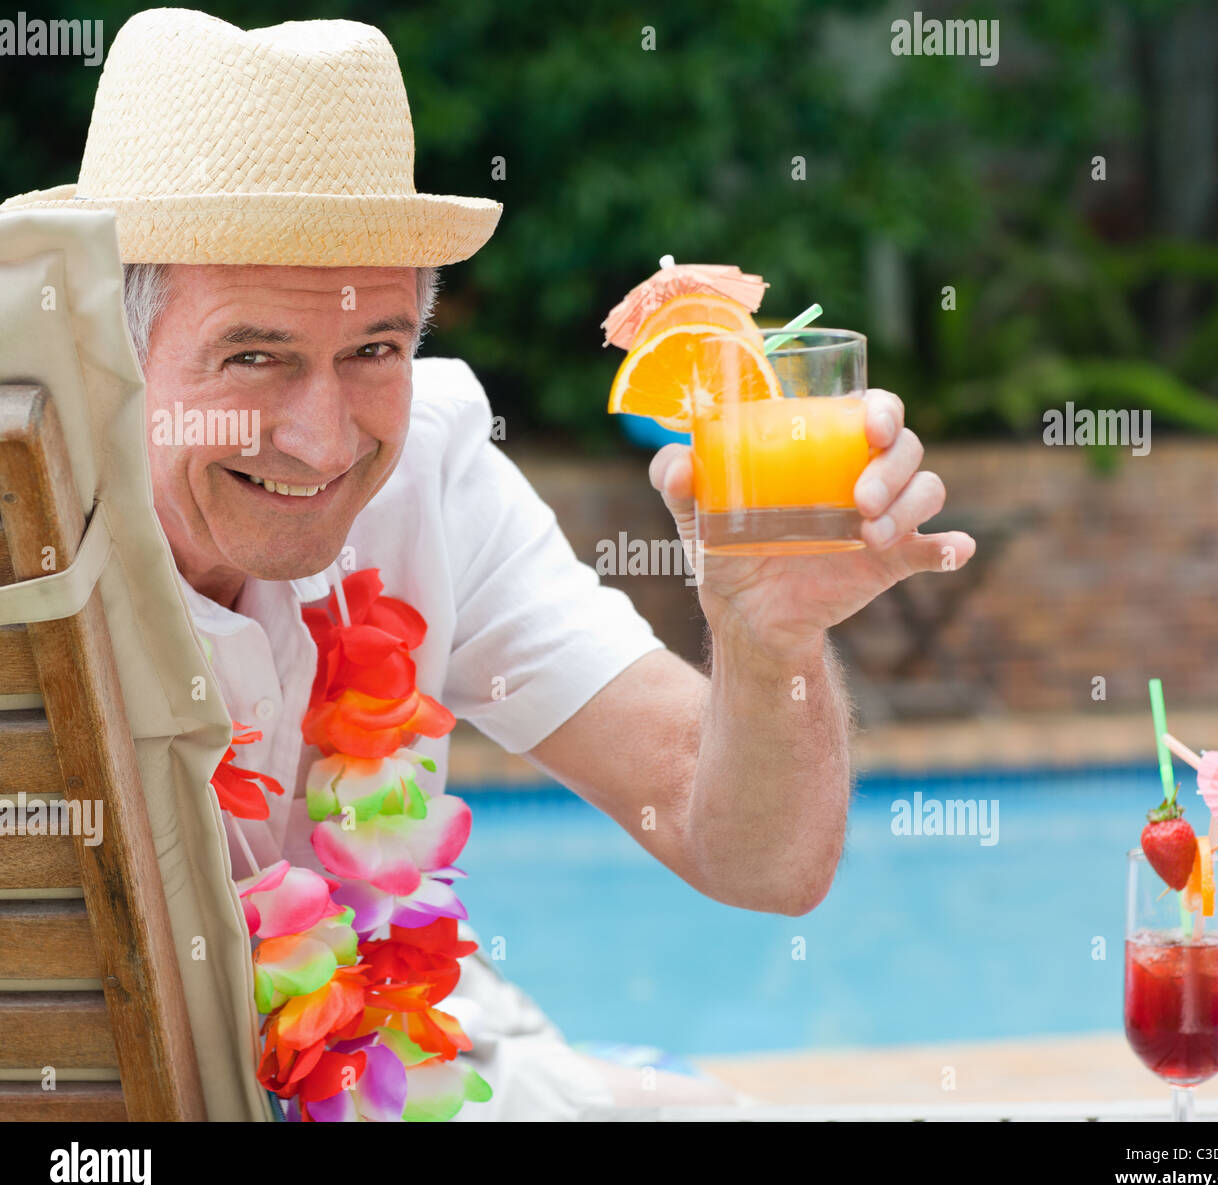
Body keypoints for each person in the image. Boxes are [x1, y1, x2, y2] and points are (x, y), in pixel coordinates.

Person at [0, 9, 974, 1120]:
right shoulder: (21, 538)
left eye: (374, 350)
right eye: (253, 356)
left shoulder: (432, 470)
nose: (323, 441)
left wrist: (771, 640)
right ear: (112, 359)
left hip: (409, 1069)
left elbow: (760, 862)